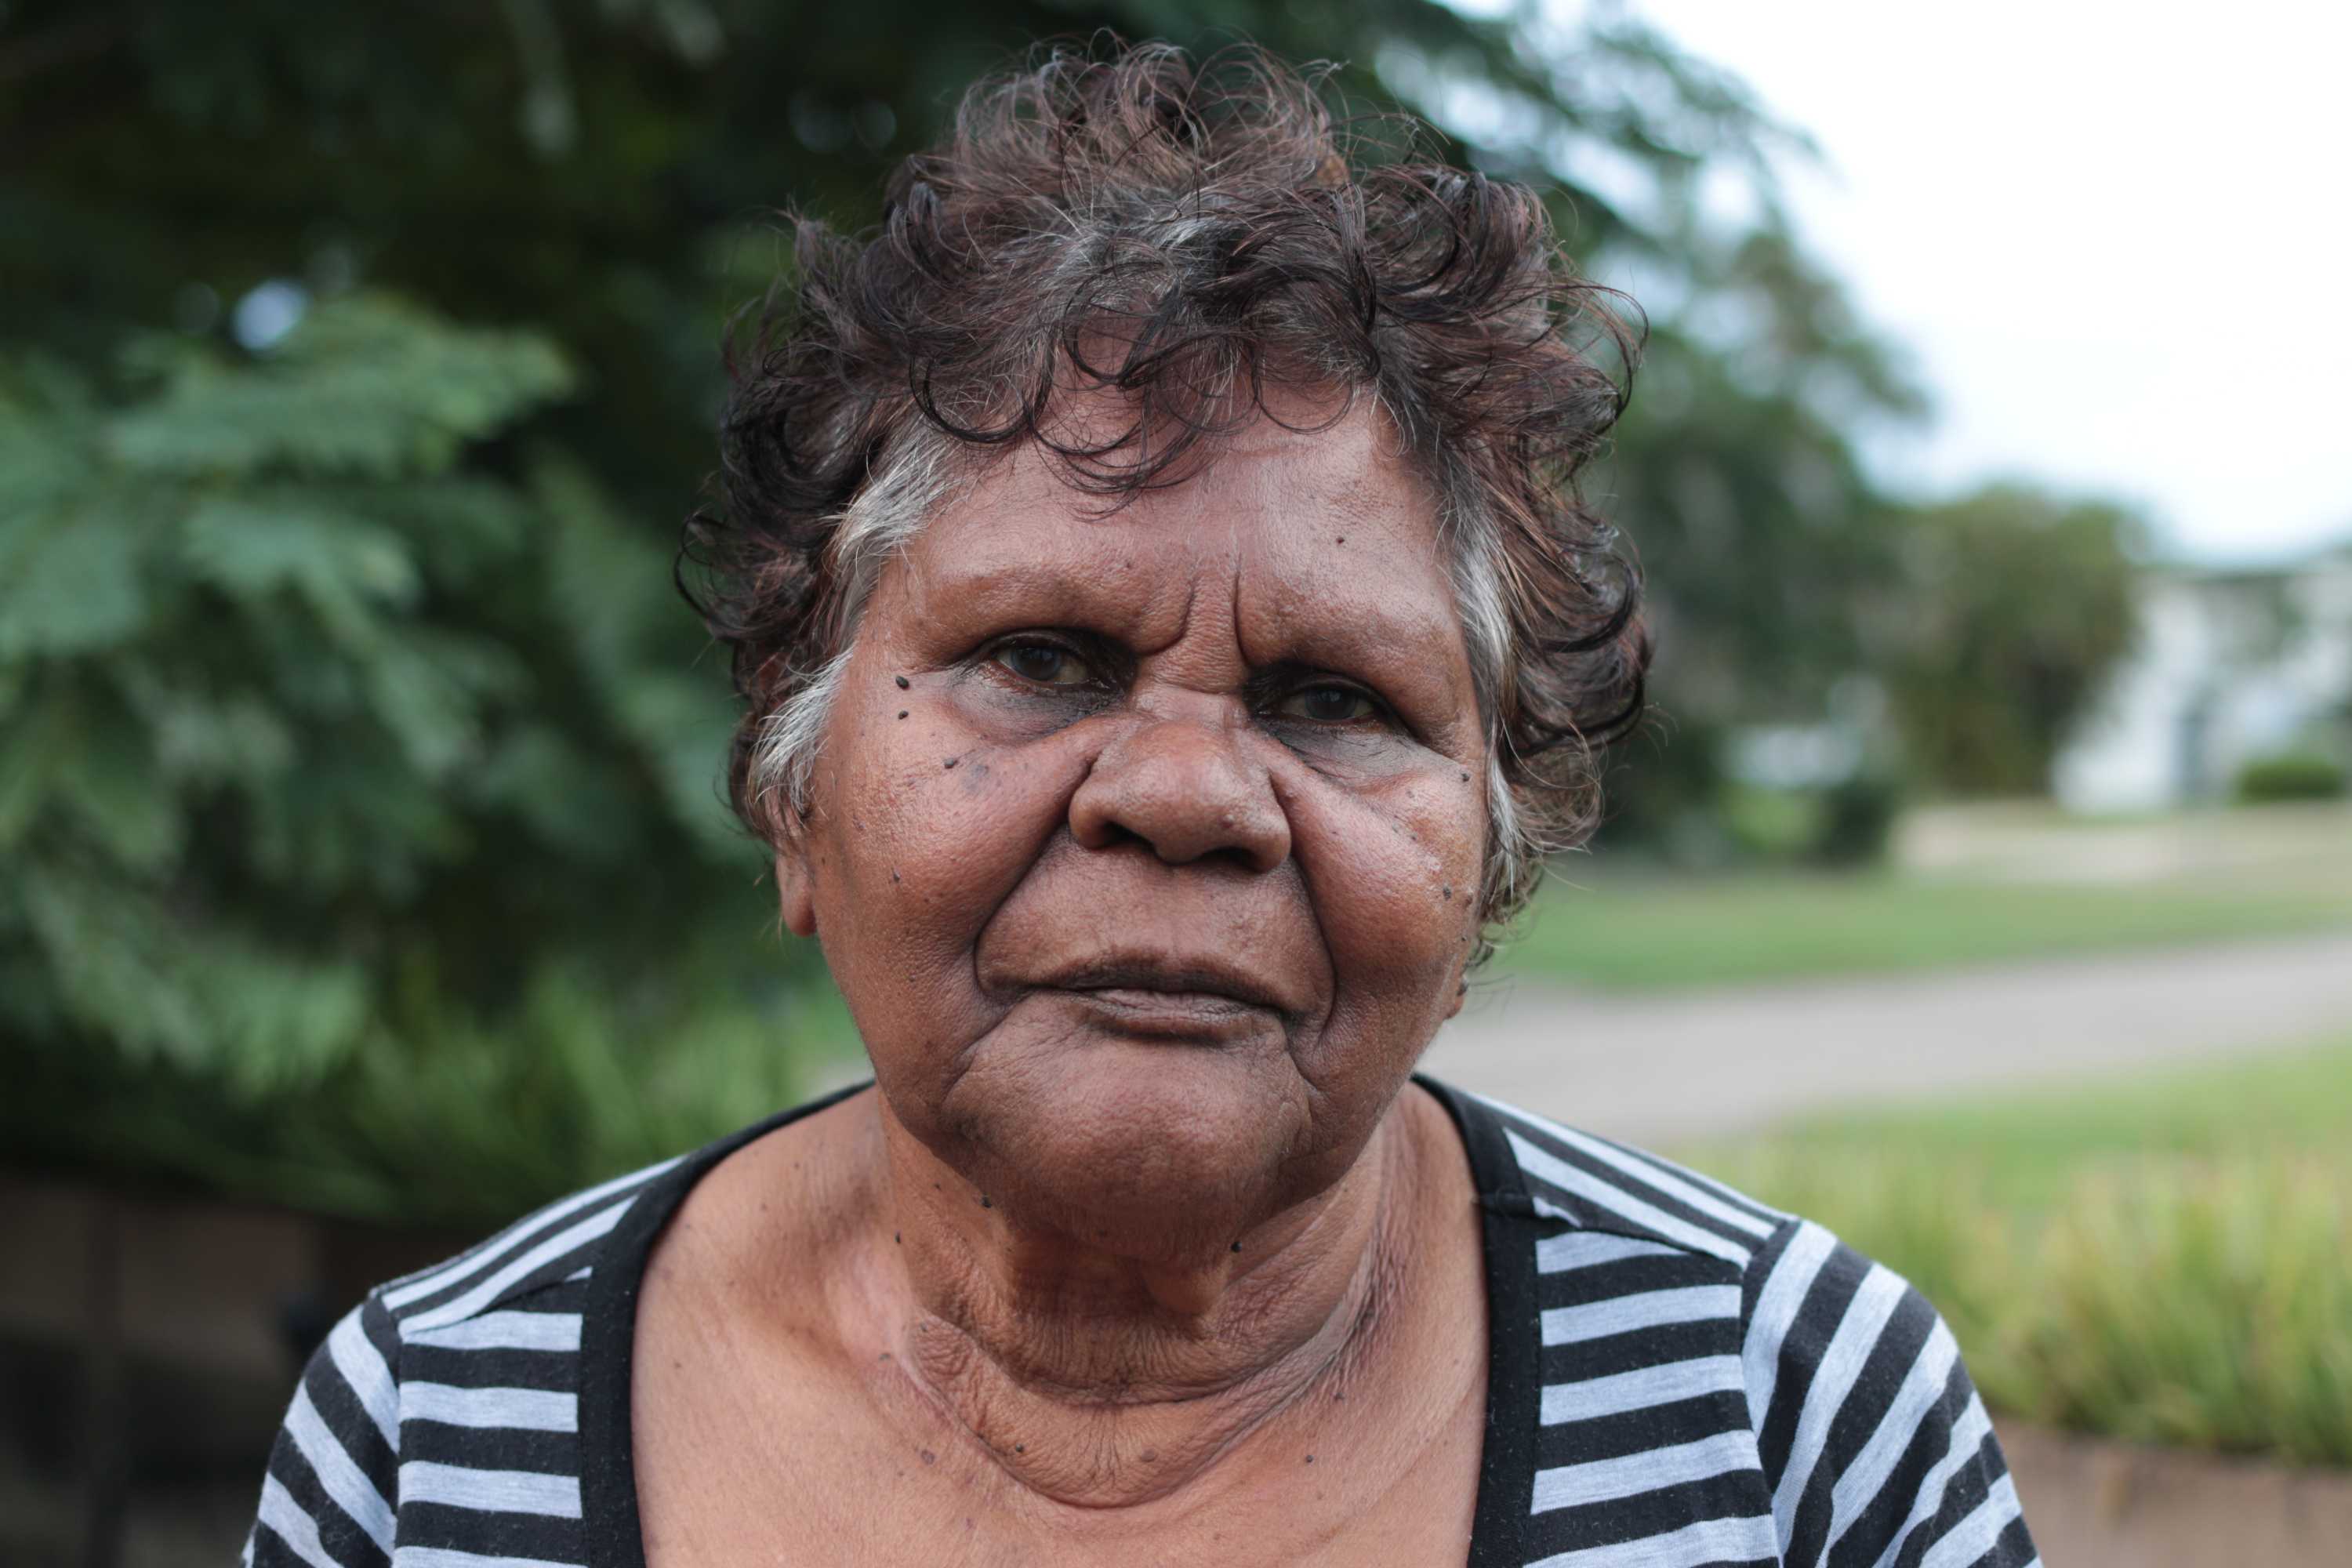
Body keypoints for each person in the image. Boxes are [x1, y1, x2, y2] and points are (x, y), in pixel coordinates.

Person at [243, 42, 2037, 1568]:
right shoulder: (430, 1432)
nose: (1186, 798)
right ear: (795, 787)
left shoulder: (1787, 1412)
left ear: (1486, 864)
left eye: (1336, 699)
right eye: (1043, 657)